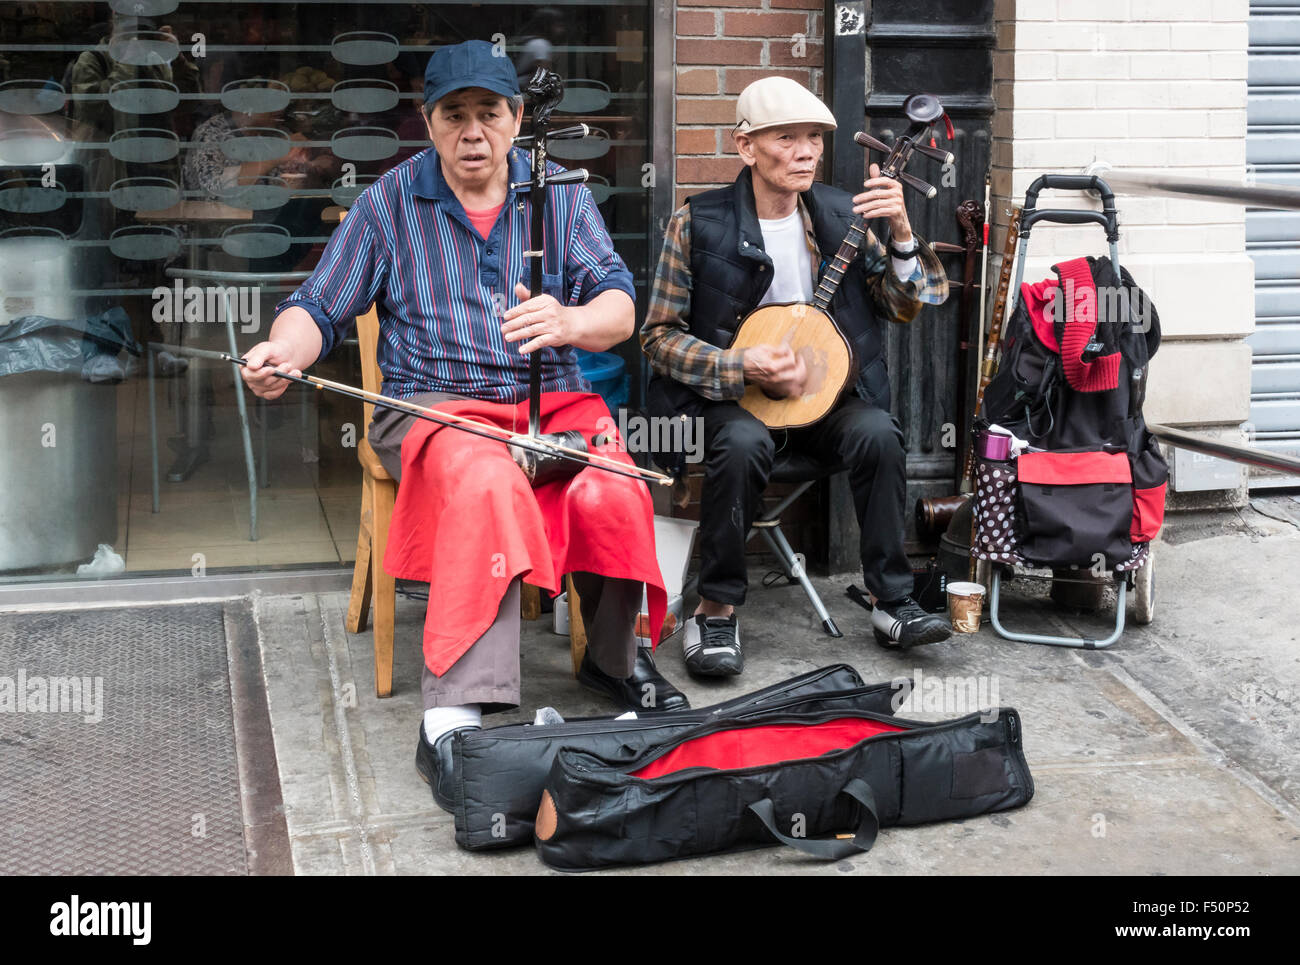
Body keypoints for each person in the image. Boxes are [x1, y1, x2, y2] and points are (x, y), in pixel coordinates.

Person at [238, 40, 687, 812]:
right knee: (486, 477)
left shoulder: (562, 195)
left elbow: (619, 309)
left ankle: (615, 662)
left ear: (516, 118)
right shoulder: (389, 201)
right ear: (428, 121)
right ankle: (450, 712)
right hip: (436, 407)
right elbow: (318, 304)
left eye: (490, 112)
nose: (473, 131)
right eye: (455, 115)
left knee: (614, 485)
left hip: (551, 406)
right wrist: (283, 349)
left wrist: (571, 319)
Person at [641, 76, 953, 677]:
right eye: (787, 138)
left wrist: (905, 237)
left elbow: (907, 305)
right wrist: (740, 364)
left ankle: (893, 600)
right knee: (741, 441)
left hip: (824, 399)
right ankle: (717, 608)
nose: (806, 151)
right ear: (746, 147)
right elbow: (657, 337)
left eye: (814, 138)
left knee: (878, 434)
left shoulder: (843, 214)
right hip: (729, 400)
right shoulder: (697, 223)